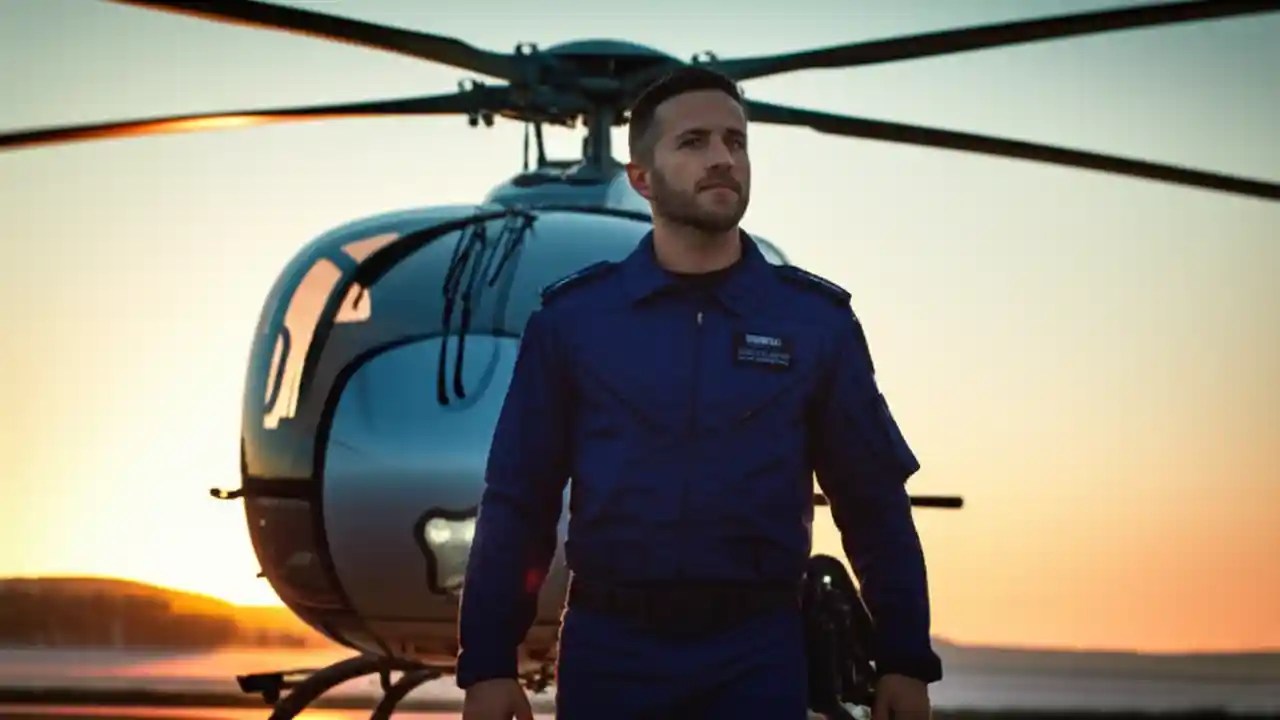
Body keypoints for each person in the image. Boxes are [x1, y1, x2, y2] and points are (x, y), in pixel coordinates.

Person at [456, 66, 942, 720]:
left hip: (758, 655)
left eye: (735, 142)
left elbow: (873, 502)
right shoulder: (573, 323)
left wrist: (906, 658)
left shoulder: (814, 325)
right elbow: (519, 500)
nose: (723, 158)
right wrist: (488, 664)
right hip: (612, 653)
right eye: (694, 142)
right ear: (641, 178)